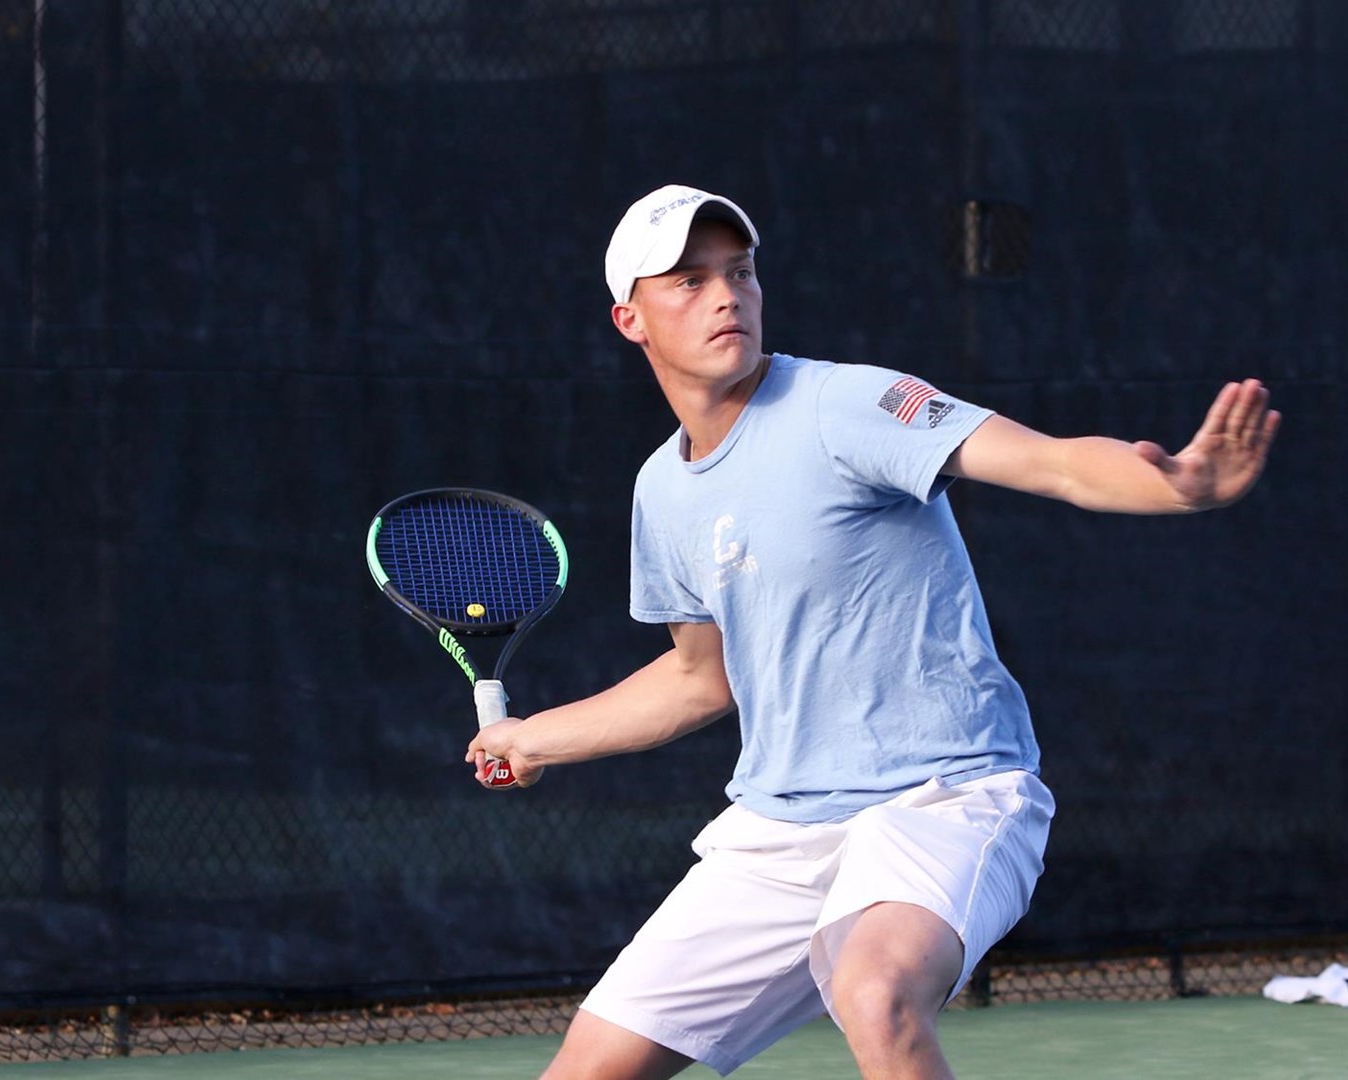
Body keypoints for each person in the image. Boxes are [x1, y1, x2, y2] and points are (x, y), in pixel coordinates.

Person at [467, 184, 1280, 1080]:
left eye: (738, 272)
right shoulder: (662, 492)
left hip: (944, 797)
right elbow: (702, 678)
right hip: (779, 826)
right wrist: (532, 737)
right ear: (632, 319)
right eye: (688, 282)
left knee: (874, 990)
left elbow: (1047, 460)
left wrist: (1173, 485)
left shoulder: (847, 405)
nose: (726, 296)